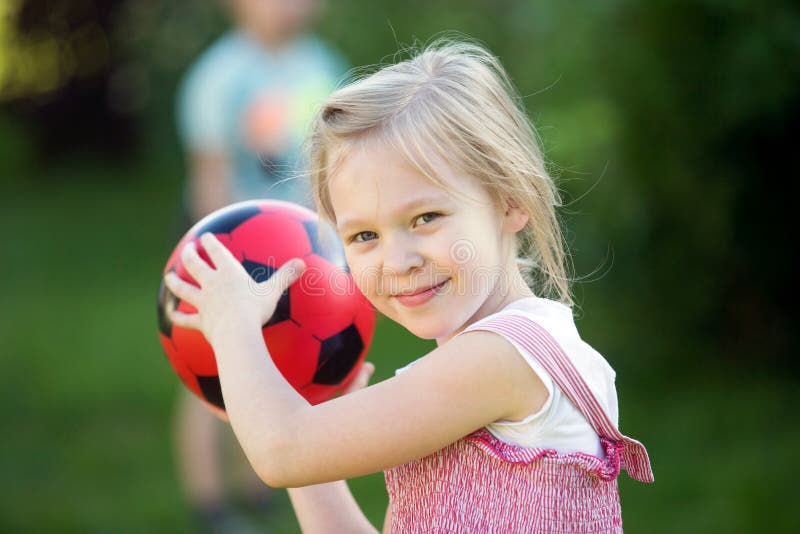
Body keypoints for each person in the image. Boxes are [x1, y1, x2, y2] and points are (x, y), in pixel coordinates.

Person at [165, 38, 654, 532]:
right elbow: (294, 458)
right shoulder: (482, 363)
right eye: (364, 235)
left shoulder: (504, 359)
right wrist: (301, 420)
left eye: (425, 217)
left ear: (509, 201)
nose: (397, 261)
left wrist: (233, 326)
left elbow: (281, 452)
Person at [171, 0, 346, 529]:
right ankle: (209, 501)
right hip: (232, 250)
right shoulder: (220, 76)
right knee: (215, 370)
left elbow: (335, 161)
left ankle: (261, 486)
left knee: (281, 364)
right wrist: (223, 263)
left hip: (300, 247)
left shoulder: (323, 67)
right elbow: (210, 179)